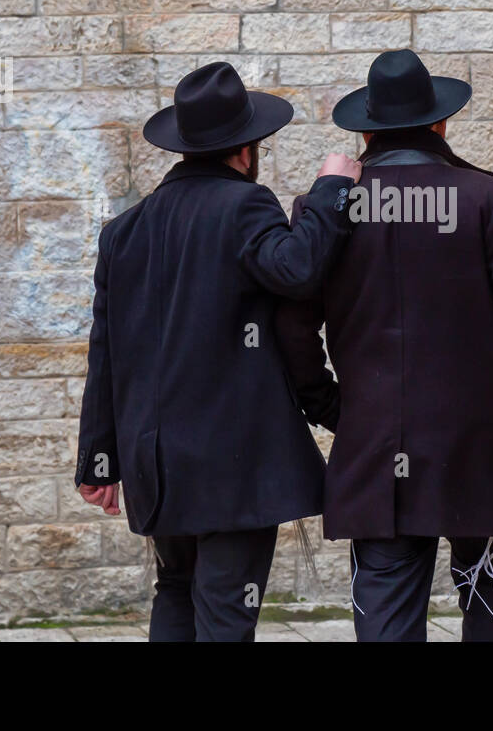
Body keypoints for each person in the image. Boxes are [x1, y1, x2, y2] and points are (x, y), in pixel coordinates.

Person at [277, 49, 493, 642]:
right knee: (488, 590)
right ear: (439, 123)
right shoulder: (489, 199)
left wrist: (330, 405)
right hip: (483, 435)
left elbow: (292, 328)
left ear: (365, 129)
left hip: (375, 438)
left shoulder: (325, 210)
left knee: (384, 598)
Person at [75, 61, 361, 641]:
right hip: (231, 467)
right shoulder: (244, 206)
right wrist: (333, 188)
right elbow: (296, 269)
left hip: (156, 463)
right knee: (226, 609)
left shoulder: (123, 230)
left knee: (176, 591)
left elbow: (105, 351)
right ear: (246, 148)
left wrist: (98, 458)